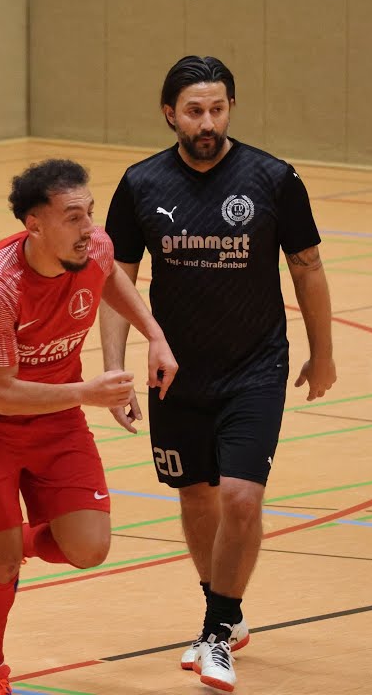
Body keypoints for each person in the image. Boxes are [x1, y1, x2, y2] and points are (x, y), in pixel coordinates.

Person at [98, 55, 337, 693]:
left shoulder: (272, 178)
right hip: (174, 370)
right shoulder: (140, 184)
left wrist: (324, 351)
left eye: (219, 108)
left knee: (240, 497)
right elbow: (116, 278)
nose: (209, 122)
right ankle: (222, 612)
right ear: (169, 113)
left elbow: (307, 267)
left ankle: (216, 625)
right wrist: (115, 368)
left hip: (256, 365)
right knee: (196, 495)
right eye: (195, 110)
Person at [0, 158, 179, 695]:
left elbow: (110, 273)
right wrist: (88, 394)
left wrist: (154, 335)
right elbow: (1, 394)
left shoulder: (93, 248)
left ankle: (11, 541)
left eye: (90, 213)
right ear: (35, 225)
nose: (88, 228)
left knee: (90, 548)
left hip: (57, 415)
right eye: (73, 217)